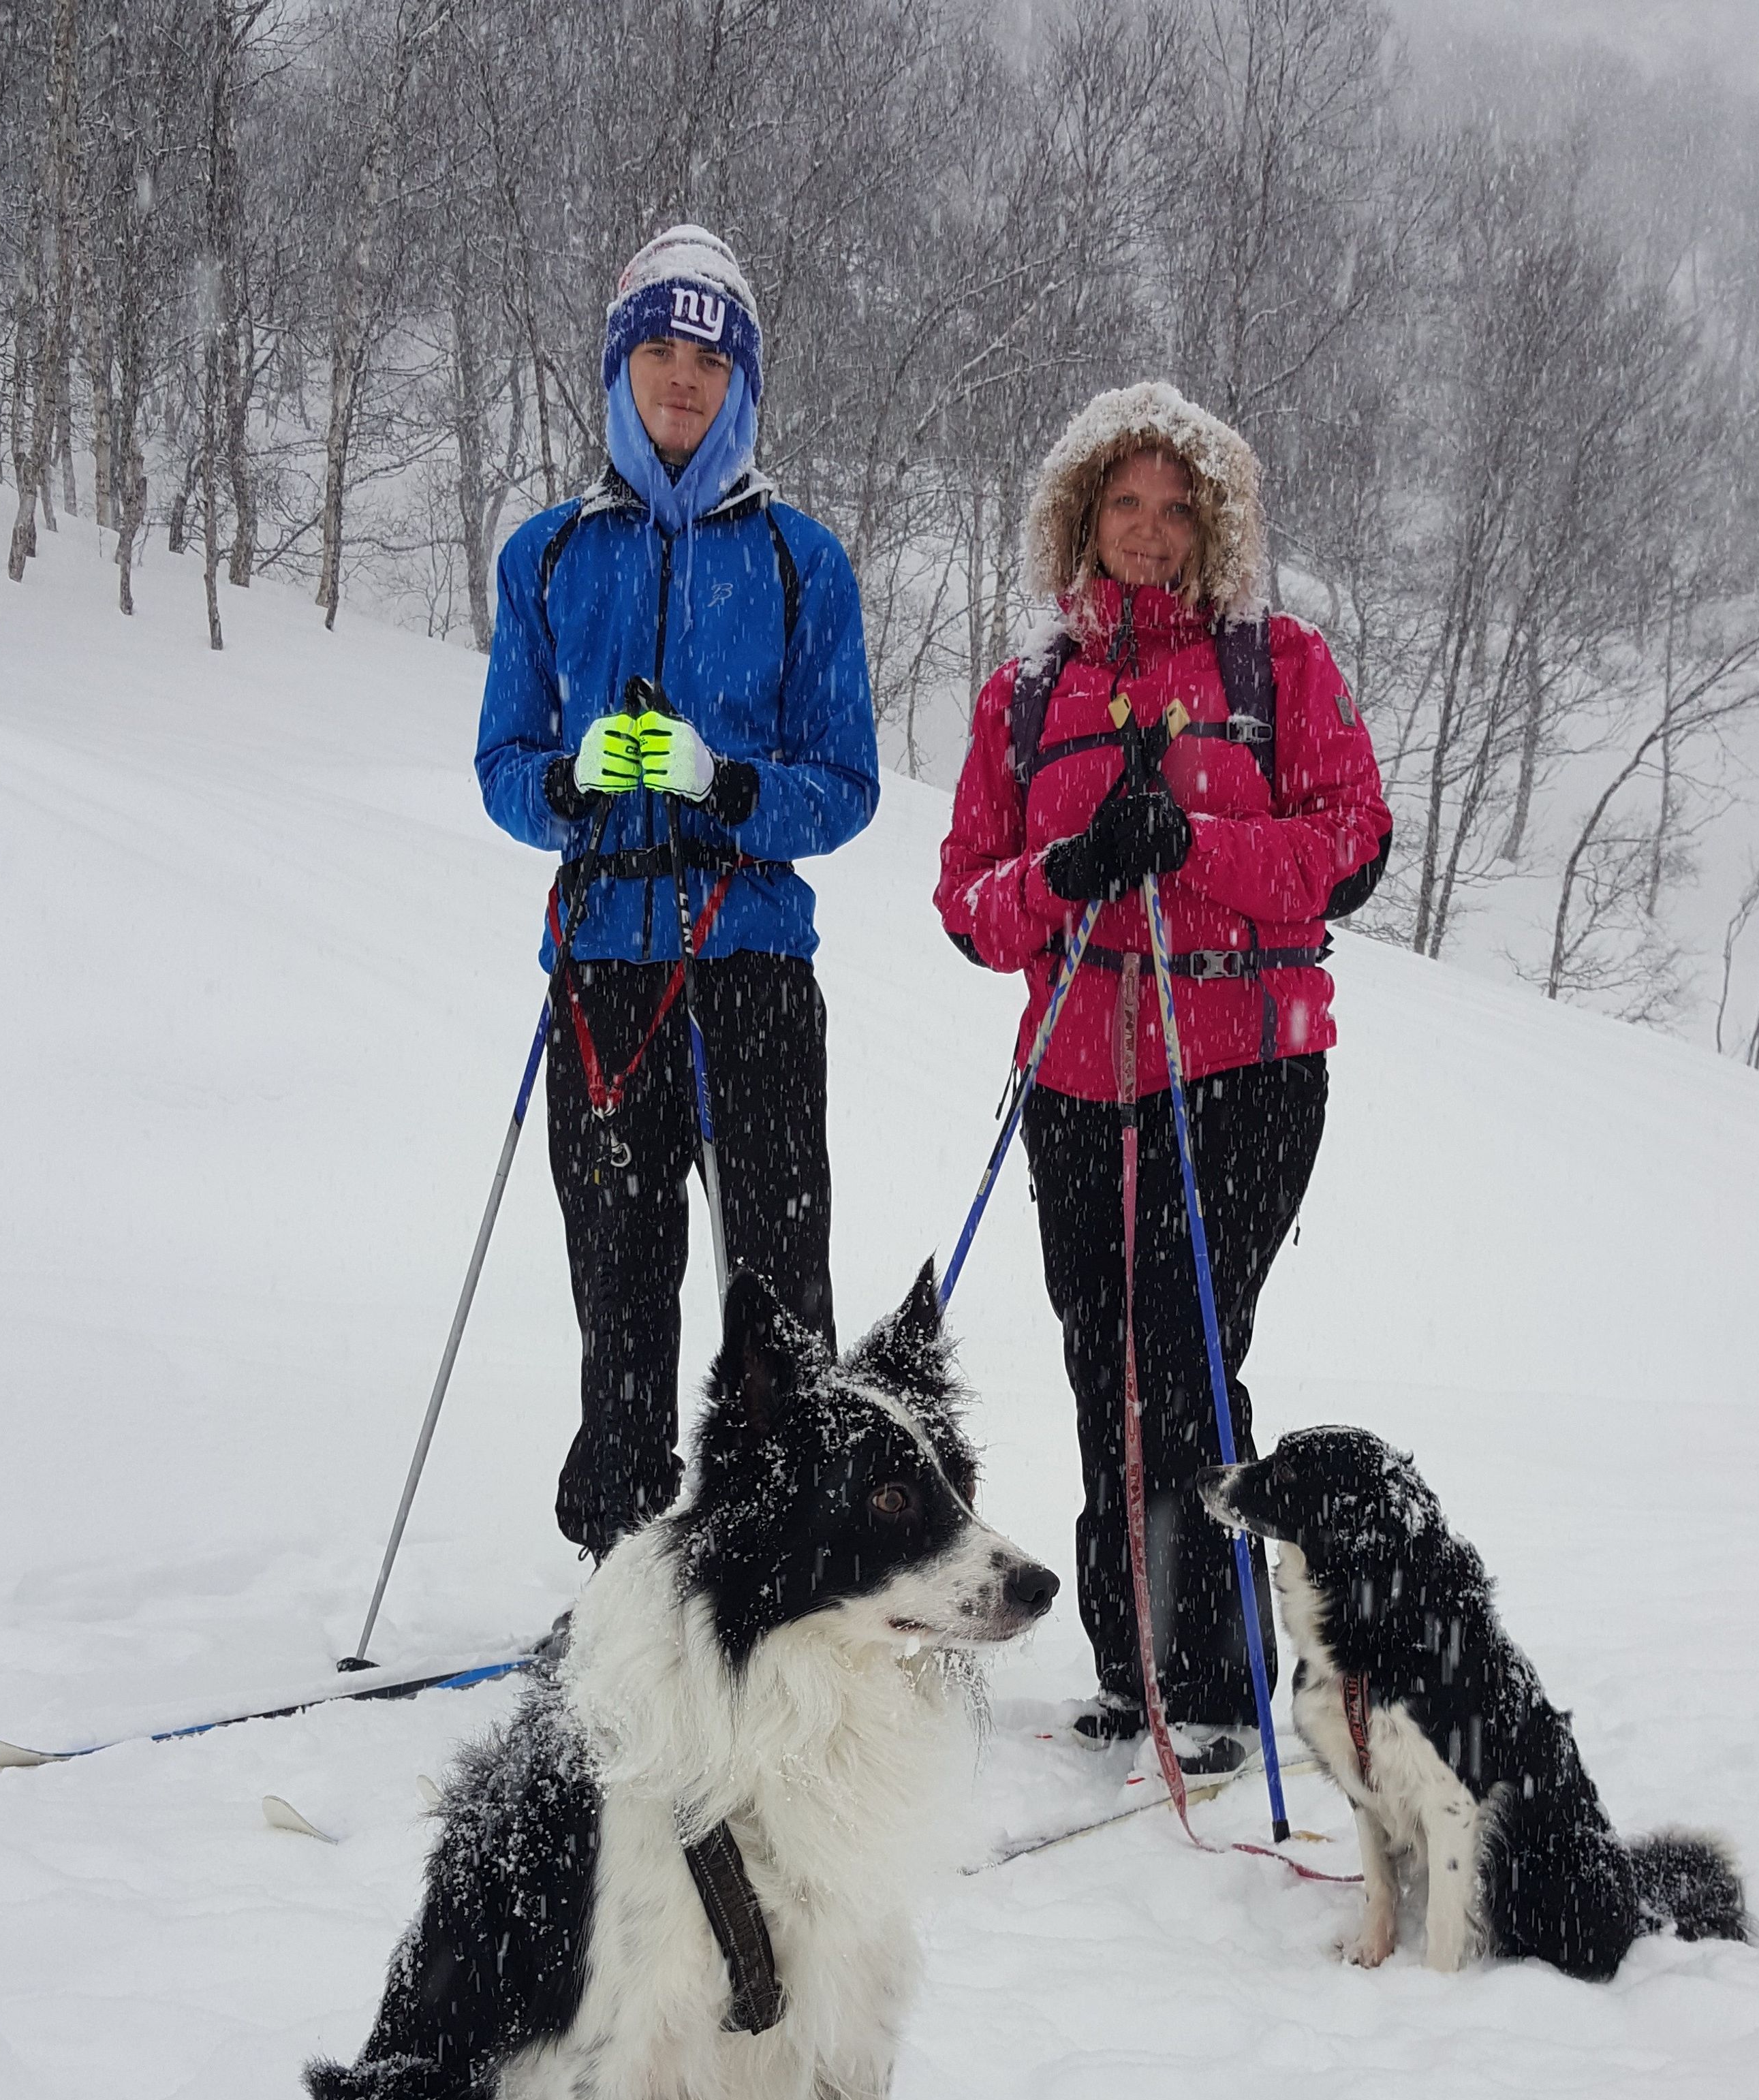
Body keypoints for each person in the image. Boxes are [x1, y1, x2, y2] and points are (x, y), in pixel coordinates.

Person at [935, 382, 1391, 1772]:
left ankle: (1211, 1679)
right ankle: (1133, 1670)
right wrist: (1065, 872)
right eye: (1124, 505)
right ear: (1082, 518)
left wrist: (1195, 844)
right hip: (1079, 1075)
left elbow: (1352, 850)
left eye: (1175, 508)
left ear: (1214, 525)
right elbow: (969, 907)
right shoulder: (1027, 692)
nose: (1149, 531)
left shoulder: (1278, 666)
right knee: (1102, 1367)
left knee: (1184, 1364)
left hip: (1241, 1067)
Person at [477, 226, 878, 1561]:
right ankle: (626, 1559)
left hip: (753, 969)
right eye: (658, 349)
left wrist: (727, 784)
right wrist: (572, 782)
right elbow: (501, 764)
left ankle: (798, 1556)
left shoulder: (799, 561)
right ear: (618, 369)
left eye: (711, 357)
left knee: (778, 1289)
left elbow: (849, 784)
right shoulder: (547, 554)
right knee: (621, 1281)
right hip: (603, 965)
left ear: (744, 381)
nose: (684, 379)